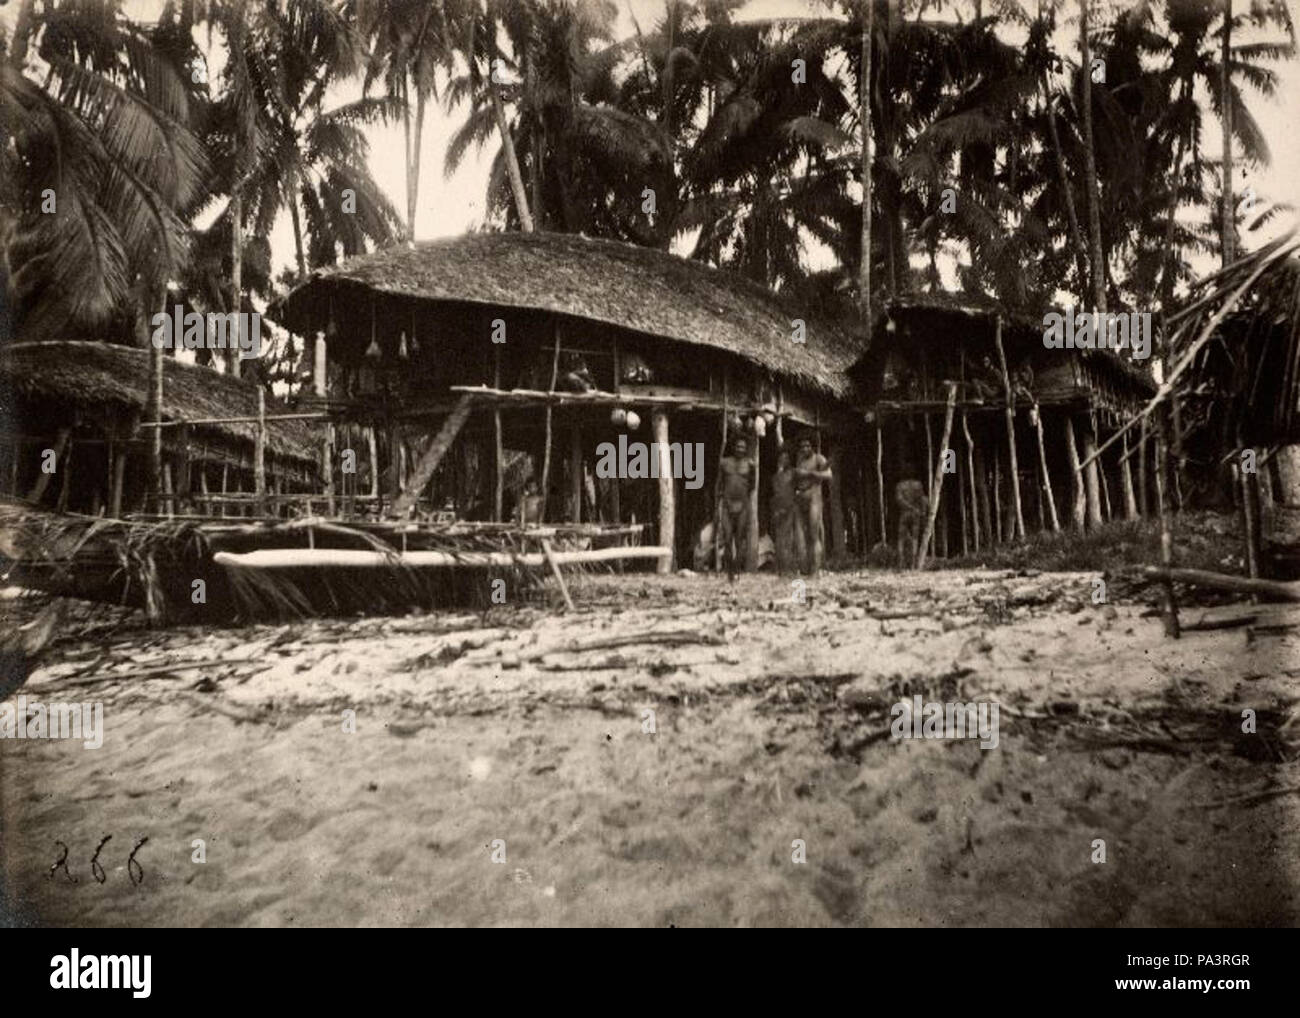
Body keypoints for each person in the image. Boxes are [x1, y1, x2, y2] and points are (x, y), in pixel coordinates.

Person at [792, 435, 832, 576]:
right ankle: (805, 568)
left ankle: (815, 570)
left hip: (814, 497)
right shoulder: (800, 459)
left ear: (812, 446)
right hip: (800, 497)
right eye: (802, 446)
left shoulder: (819, 458)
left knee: (814, 535)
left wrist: (808, 474)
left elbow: (828, 475)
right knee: (801, 536)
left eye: (807, 446)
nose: (805, 448)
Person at [717, 434, 755, 581]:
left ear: (746, 450)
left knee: (739, 539)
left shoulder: (750, 465)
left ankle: (737, 570)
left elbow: (752, 485)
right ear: (733, 447)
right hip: (727, 505)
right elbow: (719, 485)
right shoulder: (724, 463)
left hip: (743, 506)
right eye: (738, 446)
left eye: (743, 447)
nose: (740, 449)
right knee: (727, 539)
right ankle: (730, 571)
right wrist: (719, 505)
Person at [770, 449, 797, 575]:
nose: (784, 460)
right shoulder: (776, 476)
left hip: (790, 508)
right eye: (781, 458)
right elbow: (776, 492)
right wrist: (776, 510)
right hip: (778, 510)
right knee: (780, 539)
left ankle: (788, 567)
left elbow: (798, 488)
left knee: (789, 539)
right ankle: (781, 568)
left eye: (786, 458)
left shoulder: (793, 473)